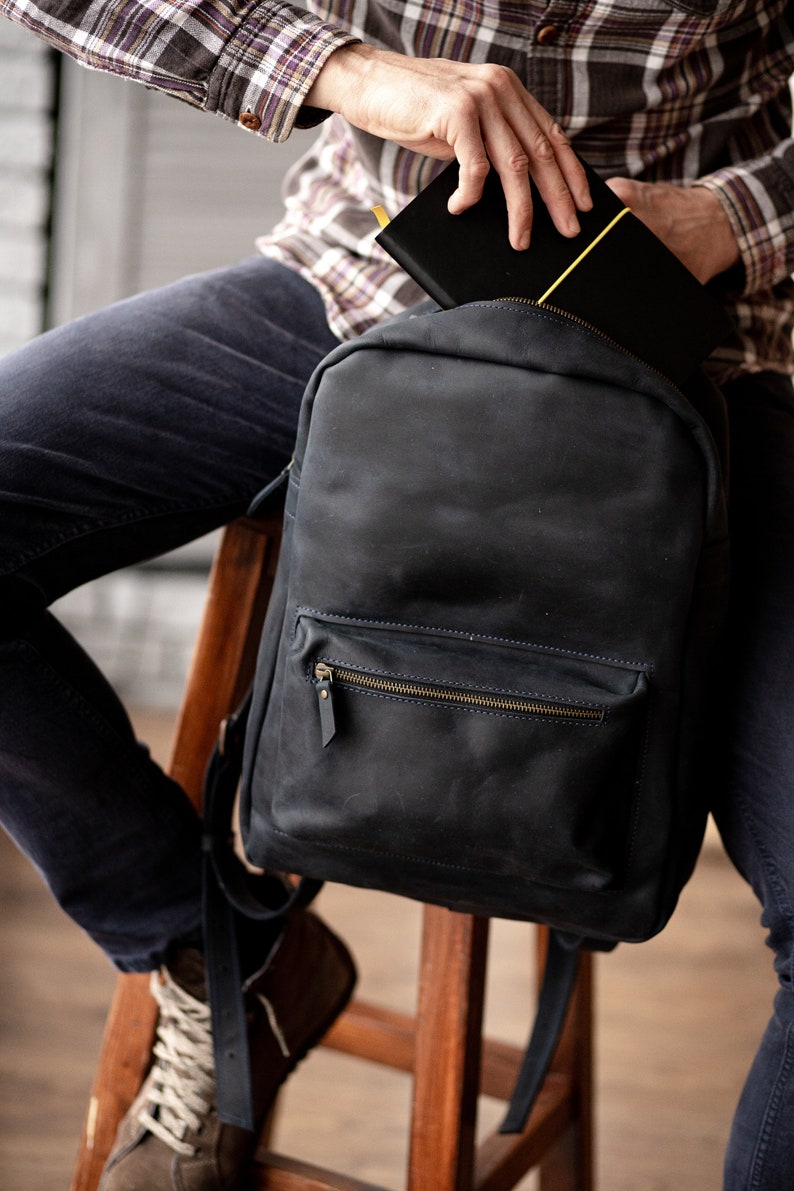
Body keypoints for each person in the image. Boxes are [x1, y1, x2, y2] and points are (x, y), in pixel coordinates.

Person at [0, 0, 792, 1187]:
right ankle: (215, 960)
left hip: (713, 358)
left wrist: (728, 217)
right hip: (357, 295)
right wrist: (353, 73)